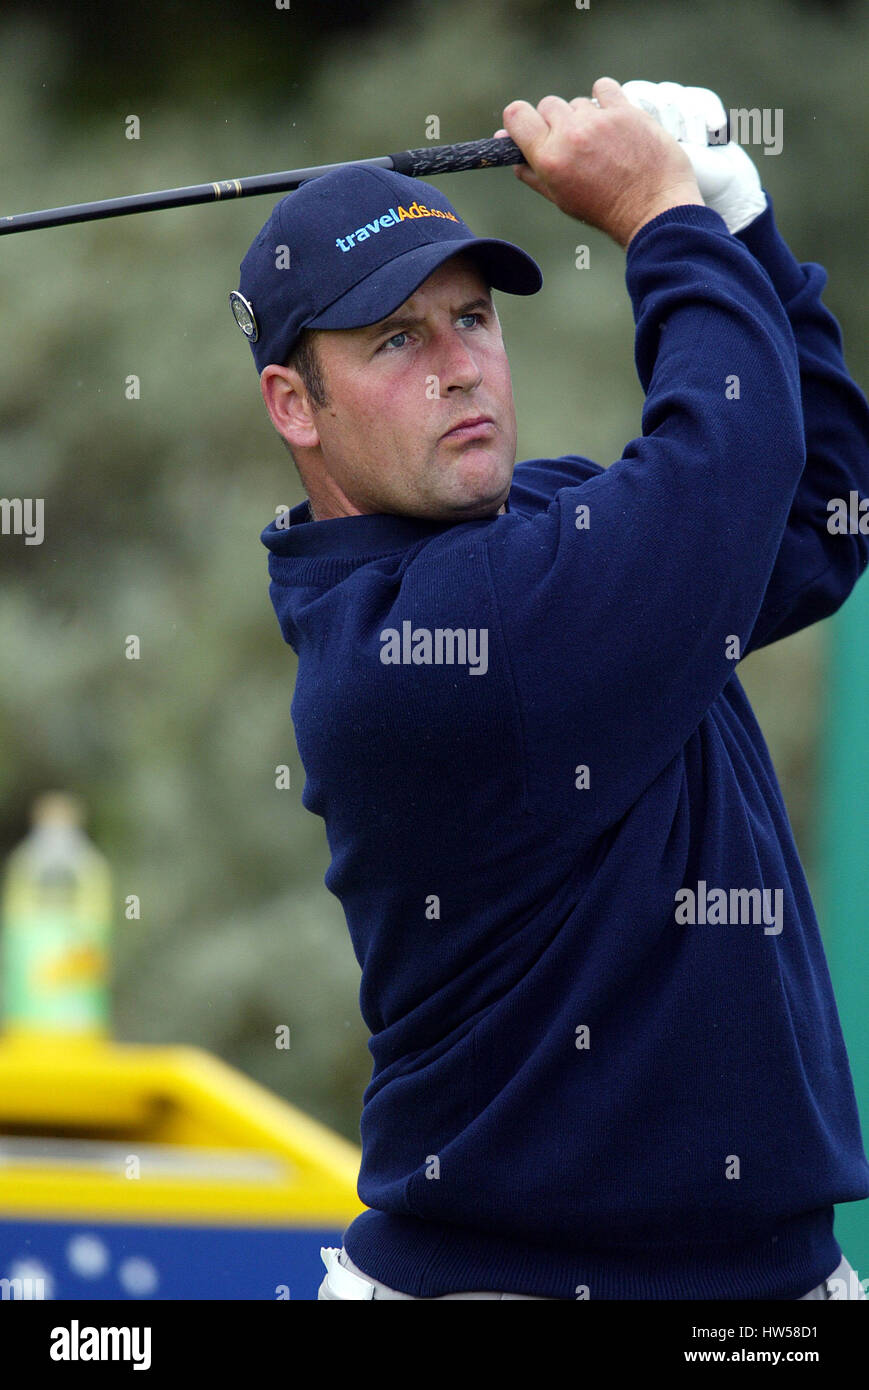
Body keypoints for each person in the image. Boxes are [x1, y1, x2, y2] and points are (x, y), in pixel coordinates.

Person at [230, 76, 869, 1299]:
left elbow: (815, 509)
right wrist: (658, 216)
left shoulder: (538, 528)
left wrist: (733, 217)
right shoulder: (430, 650)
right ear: (292, 405)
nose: (460, 367)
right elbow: (722, 468)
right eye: (395, 341)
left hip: (765, 1286)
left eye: (472, 319)